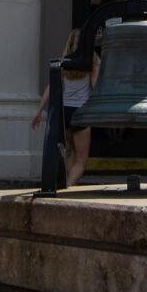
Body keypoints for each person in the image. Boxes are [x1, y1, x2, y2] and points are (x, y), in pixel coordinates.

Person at [31, 27, 99, 187]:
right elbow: (95, 86)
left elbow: (51, 87)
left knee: (73, 152)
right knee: (81, 161)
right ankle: (68, 186)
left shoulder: (64, 61)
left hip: (65, 112)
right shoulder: (93, 59)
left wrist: (39, 111)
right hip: (81, 112)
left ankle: (63, 186)